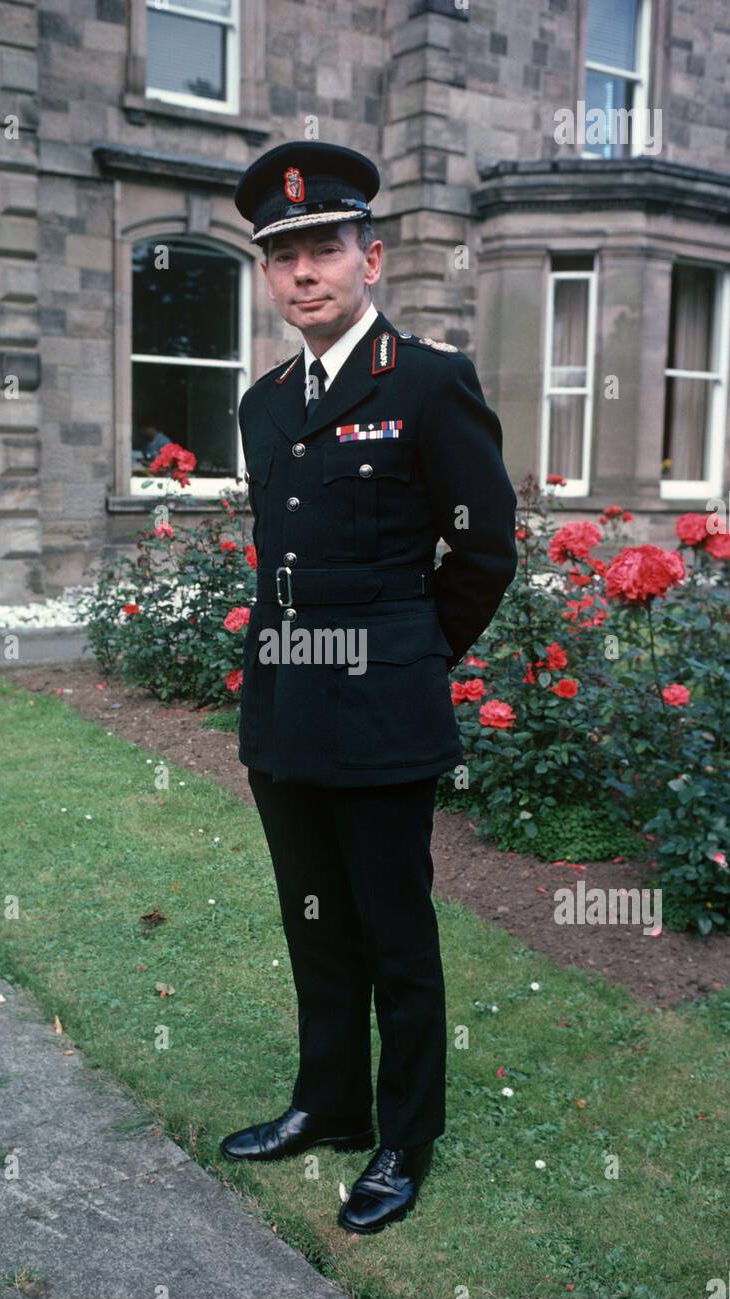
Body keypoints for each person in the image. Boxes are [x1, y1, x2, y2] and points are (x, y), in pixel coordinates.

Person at [222, 140, 519, 1235]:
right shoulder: (262, 403)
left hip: (382, 711)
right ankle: (329, 1102)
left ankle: (403, 1135)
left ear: (371, 258)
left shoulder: (428, 383)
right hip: (286, 712)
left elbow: (482, 549)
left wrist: (407, 657)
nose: (303, 273)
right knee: (313, 921)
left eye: (323, 250)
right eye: (282, 256)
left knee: (395, 931)